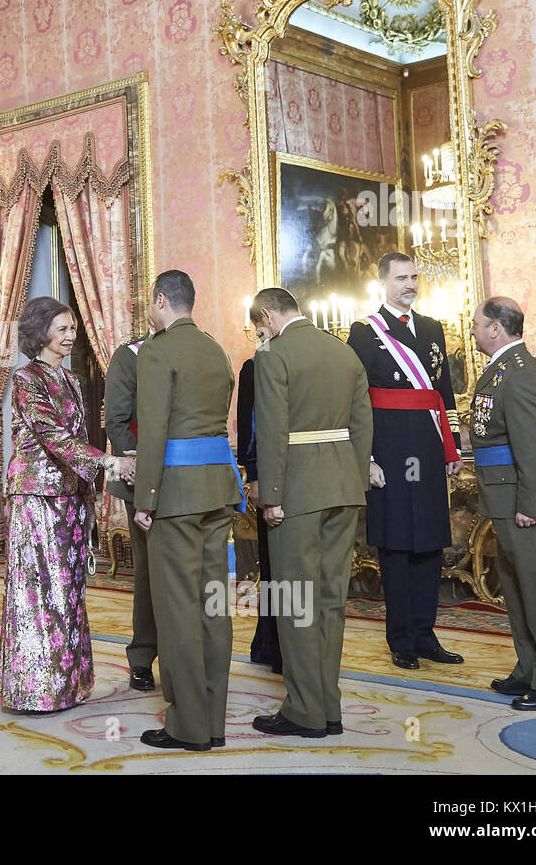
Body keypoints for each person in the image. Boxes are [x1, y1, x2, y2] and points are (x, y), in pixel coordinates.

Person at [0, 296, 134, 712]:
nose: (72, 335)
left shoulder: (72, 380)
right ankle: (35, 689)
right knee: (39, 587)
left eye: (73, 328)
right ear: (41, 334)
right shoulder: (25, 380)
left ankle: (69, 684)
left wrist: (89, 492)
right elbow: (52, 435)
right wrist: (109, 461)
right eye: (63, 329)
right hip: (36, 497)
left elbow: (75, 438)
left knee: (69, 587)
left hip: (71, 497)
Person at [250, 287, 371, 738]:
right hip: (344, 486)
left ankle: (304, 710)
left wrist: (273, 495)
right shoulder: (344, 353)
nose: (259, 335)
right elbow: (363, 423)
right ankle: (328, 705)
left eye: (259, 328)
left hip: (297, 492)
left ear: (268, 315)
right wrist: (355, 480)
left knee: (296, 600)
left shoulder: (273, 356)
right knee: (330, 601)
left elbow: (273, 427)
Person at [133, 271, 245, 751]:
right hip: (218, 489)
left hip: (174, 495)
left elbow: (153, 432)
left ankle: (187, 727)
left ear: (161, 301)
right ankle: (214, 722)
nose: (148, 313)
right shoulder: (217, 350)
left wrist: (144, 498)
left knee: (177, 611)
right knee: (213, 607)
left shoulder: (158, 350)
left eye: (149, 304)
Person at [347, 253, 464, 670]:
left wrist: (452, 446)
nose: (410, 284)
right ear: (382, 283)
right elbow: (354, 401)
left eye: (414, 277)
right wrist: (367, 457)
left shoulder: (433, 329)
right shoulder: (363, 332)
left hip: (429, 447)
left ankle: (425, 634)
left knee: (430, 543)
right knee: (396, 545)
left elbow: (443, 392)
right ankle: (401, 639)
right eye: (401, 278)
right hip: (389, 447)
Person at [469, 297, 536, 711]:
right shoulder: (501, 370)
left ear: (496, 328)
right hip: (505, 496)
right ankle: (530, 669)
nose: (474, 329)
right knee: (516, 592)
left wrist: (530, 504)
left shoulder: (519, 373)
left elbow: (533, 447)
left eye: (478, 323)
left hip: (524, 500)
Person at [103, 330, 154, 692]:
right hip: (141, 474)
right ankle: (142, 658)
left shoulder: (197, 345)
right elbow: (116, 421)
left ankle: (182, 657)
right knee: (149, 573)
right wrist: (137, 464)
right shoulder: (130, 354)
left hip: (185, 476)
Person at [236, 325, 282, 674]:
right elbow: (247, 425)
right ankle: (271, 644)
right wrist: (253, 475)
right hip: (268, 476)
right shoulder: (255, 367)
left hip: (303, 479)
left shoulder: (301, 363)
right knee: (272, 566)